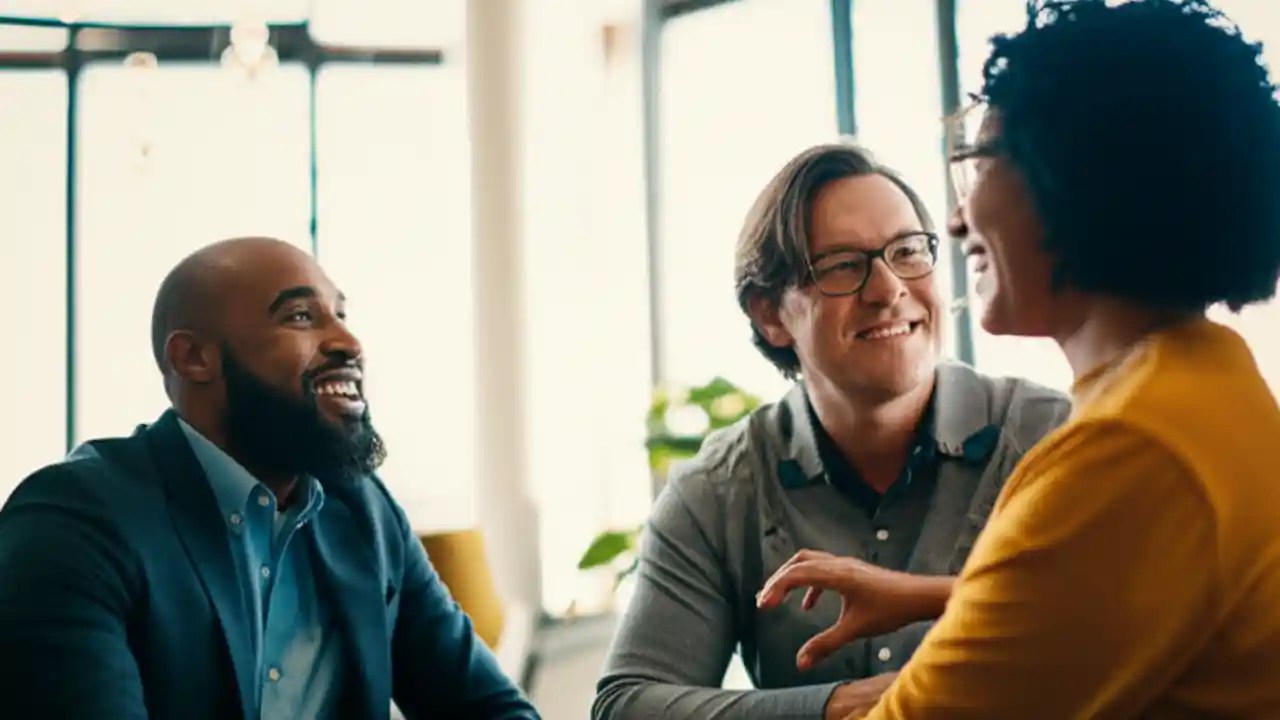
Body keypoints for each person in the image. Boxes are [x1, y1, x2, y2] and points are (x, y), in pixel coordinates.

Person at [757, 1, 1280, 717]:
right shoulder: (1207, 381)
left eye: (982, 163)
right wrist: (942, 598)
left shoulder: (1130, 450)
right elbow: (1102, 605)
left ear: (1078, 178)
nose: (955, 217)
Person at [593, 143, 1070, 720]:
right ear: (770, 315)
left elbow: (1124, 633)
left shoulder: (1050, 438)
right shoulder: (718, 490)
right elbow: (628, 706)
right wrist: (843, 708)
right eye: (844, 265)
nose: (889, 288)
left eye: (908, 251)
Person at [0, 237, 540, 720]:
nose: (348, 343)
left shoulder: (361, 510)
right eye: (302, 317)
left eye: (341, 314)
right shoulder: (75, 521)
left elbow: (484, 707)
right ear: (194, 358)